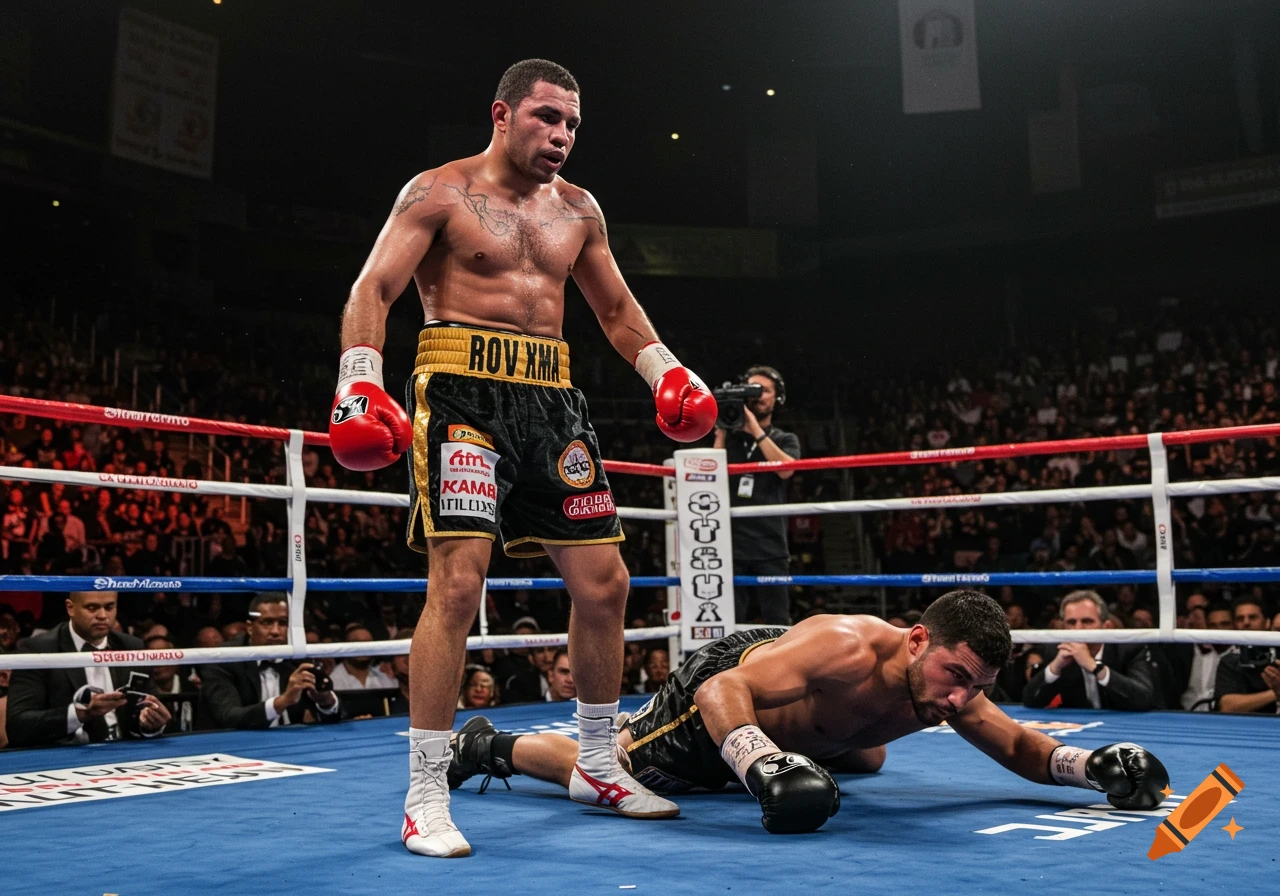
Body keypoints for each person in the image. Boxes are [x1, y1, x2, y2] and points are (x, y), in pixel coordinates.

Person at [328, 58, 716, 856]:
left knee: (606, 583)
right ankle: (426, 792)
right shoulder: (439, 192)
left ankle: (601, 762)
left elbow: (614, 309)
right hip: (461, 393)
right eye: (547, 117)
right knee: (459, 579)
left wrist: (667, 370)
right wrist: (359, 380)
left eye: (572, 124)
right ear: (501, 114)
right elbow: (374, 288)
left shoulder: (579, 208)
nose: (562, 136)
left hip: (553, 399)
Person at [447, 591, 1168, 833]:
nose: (956, 699)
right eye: (952, 675)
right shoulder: (848, 648)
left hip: (799, 699)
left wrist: (1089, 767)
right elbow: (721, 692)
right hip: (729, 682)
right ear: (918, 639)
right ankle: (491, 746)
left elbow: (1015, 747)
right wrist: (762, 764)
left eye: (970, 685)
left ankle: (787, 750)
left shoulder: (943, 686)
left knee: (869, 751)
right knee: (619, 771)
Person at [5, 591, 171, 747]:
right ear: (71, 608)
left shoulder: (132, 646)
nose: (102, 616)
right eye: (92, 608)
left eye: (109, 607)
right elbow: (18, 726)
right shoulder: (38, 648)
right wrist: (77, 714)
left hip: (126, 756)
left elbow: (142, 711)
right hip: (66, 760)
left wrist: (151, 724)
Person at [713, 366, 800, 625]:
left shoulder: (785, 439)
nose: (758, 396)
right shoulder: (730, 439)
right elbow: (709, 473)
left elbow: (786, 471)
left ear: (777, 398)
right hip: (731, 544)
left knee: (777, 620)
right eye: (753, 390)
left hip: (770, 544)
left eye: (765, 391)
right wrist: (722, 430)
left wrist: (755, 429)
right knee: (731, 620)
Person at [199, 593, 342, 729]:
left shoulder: (299, 658)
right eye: (267, 622)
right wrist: (283, 701)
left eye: (283, 623)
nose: (275, 631)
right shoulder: (223, 659)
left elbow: (336, 717)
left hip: (290, 744)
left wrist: (326, 701)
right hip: (235, 745)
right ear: (249, 627)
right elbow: (228, 716)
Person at [1022, 590, 1158, 711]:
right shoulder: (1059, 651)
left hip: (1129, 727)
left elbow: (1143, 699)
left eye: (1087, 621)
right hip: (1082, 731)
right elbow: (1030, 701)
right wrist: (1055, 667)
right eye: (1071, 623)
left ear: (1106, 627)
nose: (1078, 629)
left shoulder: (1129, 648)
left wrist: (1093, 666)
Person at [1214, 596, 1278, 714]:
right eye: (1240, 619)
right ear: (1234, 625)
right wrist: (1276, 692)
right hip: (1243, 727)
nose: (1246, 622)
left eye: (1252, 617)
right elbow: (1228, 706)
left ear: (1267, 623)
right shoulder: (1230, 661)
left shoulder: (1278, 656)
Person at [329, 626, 398, 690]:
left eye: (367, 643)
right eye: (357, 642)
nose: (363, 647)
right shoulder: (333, 681)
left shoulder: (384, 679)